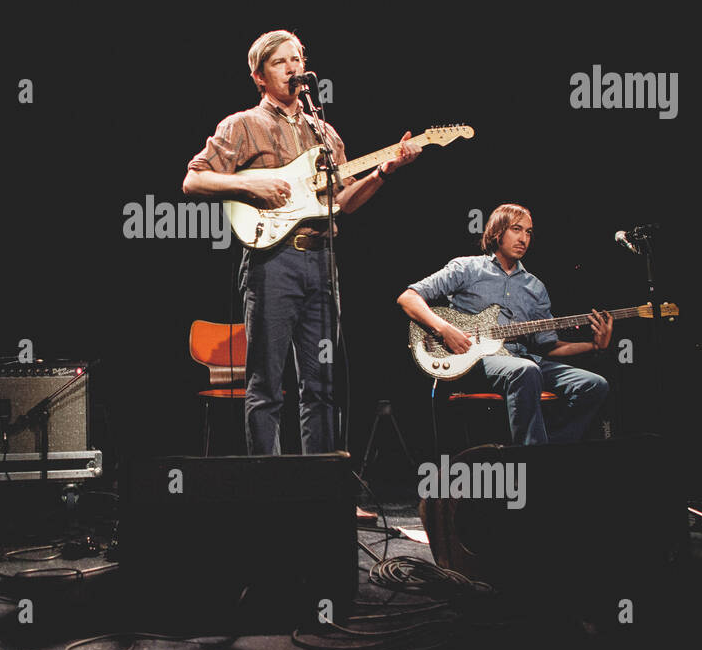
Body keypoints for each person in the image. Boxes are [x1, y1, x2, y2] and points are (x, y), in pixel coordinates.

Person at [184, 29, 420, 455]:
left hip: (322, 262)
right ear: (259, 76)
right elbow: (194, 179)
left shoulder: (325, 134)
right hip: (273, 262)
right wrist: (250, 188)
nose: (293, 68)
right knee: (267, 384)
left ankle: (323, 489)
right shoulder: (242, 125)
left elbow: (343, 203)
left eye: (297, 59)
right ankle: (270, 491)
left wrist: (384, 171)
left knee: (323, 384)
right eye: (280, 62)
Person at [397, 203, 611, 445]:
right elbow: (408, 298)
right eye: (516, 229)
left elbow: (549, 347)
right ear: (497, 232)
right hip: (475, 360)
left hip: (525, 361)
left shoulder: (535, 288)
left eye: (529, 232)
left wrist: (594, 346)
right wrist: (445, 329)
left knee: (594, 385)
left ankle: (545, 449)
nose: (524, 238)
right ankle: (534, 460)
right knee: (525, 370)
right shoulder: (467, 268)